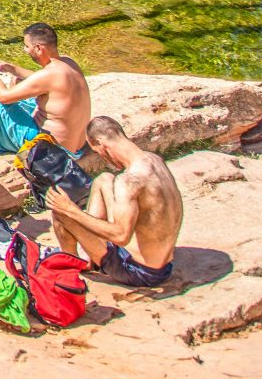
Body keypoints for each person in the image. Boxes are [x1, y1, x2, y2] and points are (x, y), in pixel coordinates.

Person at [46, 115, 183, 288]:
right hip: (162, 263)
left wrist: (71, 210)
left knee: (60, 212)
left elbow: (121, 236)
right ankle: (91, 252)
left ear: (102, 145)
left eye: (99, 152)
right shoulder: (153, 160)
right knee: (103, 179)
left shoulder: (129, 182)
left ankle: (71, 268)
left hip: (139, 271)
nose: (103, 158)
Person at [0, 23, 91, 156]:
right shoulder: (68, 62)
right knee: (17, 82)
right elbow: (40, 80)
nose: (25, 50)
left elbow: (3, 97)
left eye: (27, 46)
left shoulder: (48, 75)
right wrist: (11, 68)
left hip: (52, 148)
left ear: (38, 48)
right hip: (77, 144)